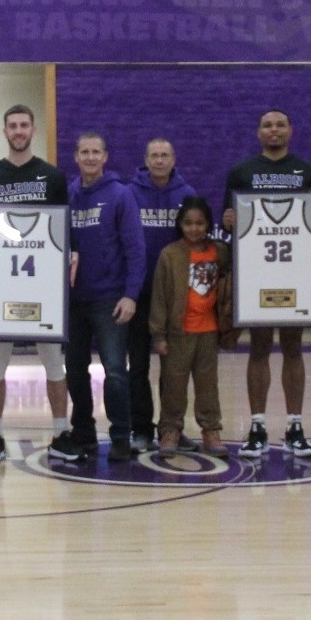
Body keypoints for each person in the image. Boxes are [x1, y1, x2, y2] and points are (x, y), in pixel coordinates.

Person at [0, 104, 71, 465]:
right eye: (12, 125)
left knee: (54, 364)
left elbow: (62, 229)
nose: (18, 130)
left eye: (24, 125)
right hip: (3, 285)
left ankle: (61, 433)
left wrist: (70, 258)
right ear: (4, 131)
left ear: (33, 129)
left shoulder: (53, 177)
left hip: (43, 285)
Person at [222, 108, 311, 458]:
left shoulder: (307, 171)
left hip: (295, 275)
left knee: (293, 347)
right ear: (258, 132)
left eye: (280, 125)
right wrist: (228, 219)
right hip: (257, 275)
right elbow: (229, 223)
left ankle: (295, 426)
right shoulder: (242, 172)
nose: (274, 130)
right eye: (267, 125)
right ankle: (257, 426)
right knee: (259, 347)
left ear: (290, 130)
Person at [62, 132, 145, 463]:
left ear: (105, 157)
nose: (90, 157)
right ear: (76, 157)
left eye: (96, 152)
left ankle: (121, 435)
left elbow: (135, 249)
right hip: (73, 301)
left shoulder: (121, 195)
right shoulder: (67, 196)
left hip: (110, 298)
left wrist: (131, 295)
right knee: (74, 369)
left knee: (114, 370)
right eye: (84, 152)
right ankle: (83, 431)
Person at [149, 196, 233, 457]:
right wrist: (159, 334)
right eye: (188, 223)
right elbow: (160, 296)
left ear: (208, 224)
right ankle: (170, 430)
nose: (194, 228)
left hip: (209, 331)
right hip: (178, 332)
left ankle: (211, 430)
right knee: (173, 385)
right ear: (180, 224)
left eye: (200, 223)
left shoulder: (220, 252)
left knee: (208, 385)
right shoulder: (170, 254)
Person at [127, 138, 195, 449]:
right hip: (140, 293)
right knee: (138, 366)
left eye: (164, 155)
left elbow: (195, 240)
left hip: (175, 297)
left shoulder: (186, 194)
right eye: (154, 155)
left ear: (173, 159)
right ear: (146, 159)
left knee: (174, 368)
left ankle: (172, 428)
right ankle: (141, 428)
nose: (159, 160)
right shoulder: (130, 194)